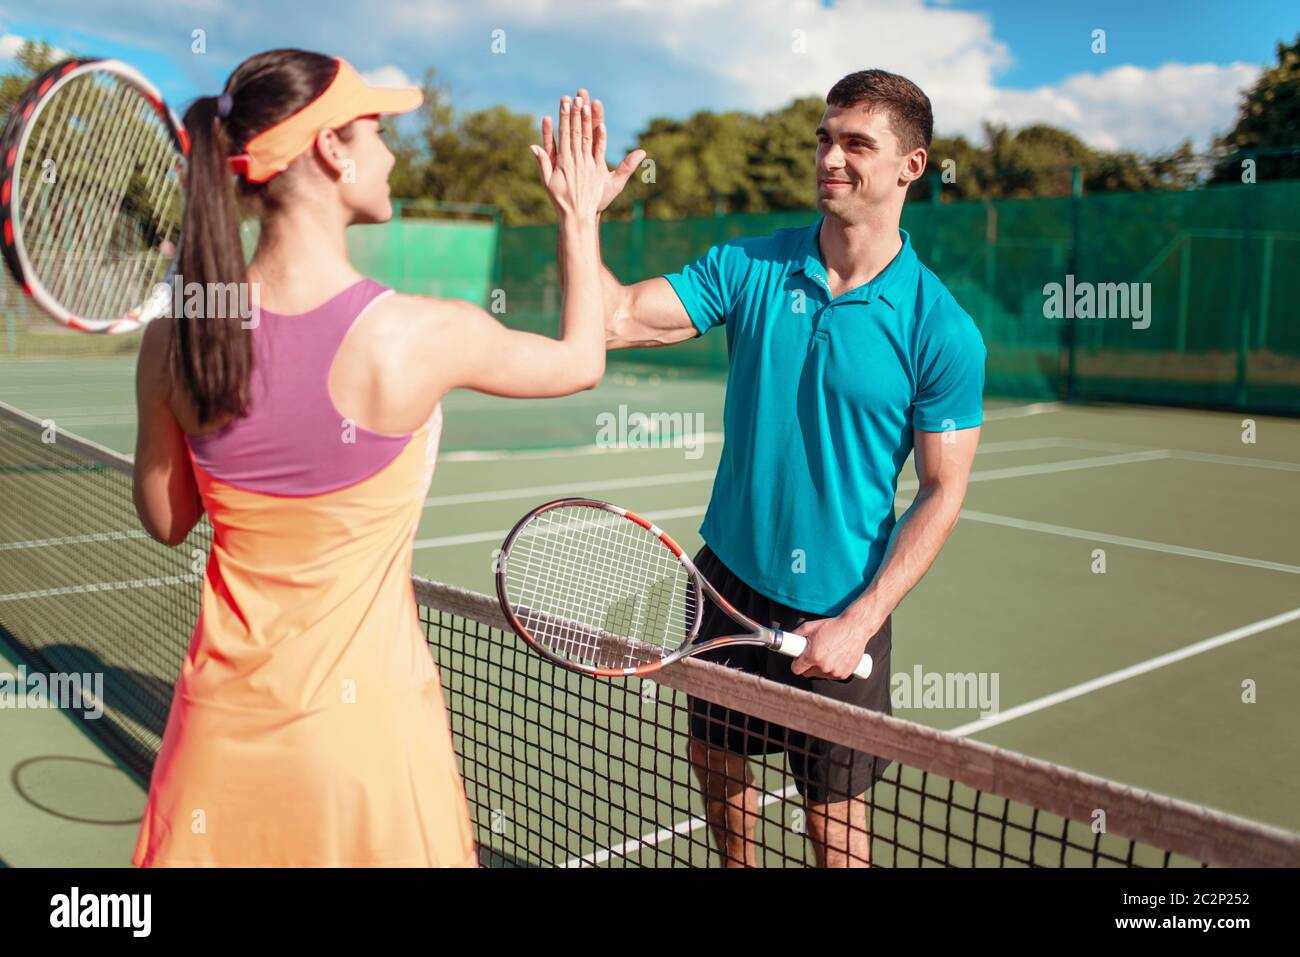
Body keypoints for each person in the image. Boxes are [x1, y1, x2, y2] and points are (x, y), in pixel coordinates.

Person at [130, 49, 612, 866]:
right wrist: (580, 211)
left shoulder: (170, 345)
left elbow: (170, 519)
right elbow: (580, 358)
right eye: (377, 130)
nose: (391, 153)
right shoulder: (421, 335)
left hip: (218, 744)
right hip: (368, 752)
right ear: (331, 149)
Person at [582, 70, 986, 866]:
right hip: (726, 582)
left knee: (836, 835)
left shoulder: (943, 328)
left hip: (841, 611)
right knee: (722, 783)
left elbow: (944, 491)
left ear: (911, 165)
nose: (830, 157)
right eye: (825, 139)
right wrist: (580, 219)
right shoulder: (750, 266)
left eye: (856, 143)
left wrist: (859, 621)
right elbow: (615, 315)